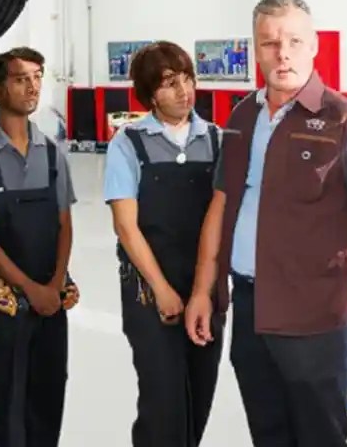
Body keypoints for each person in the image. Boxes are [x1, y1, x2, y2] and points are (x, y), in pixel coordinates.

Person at [183, 0, 347, 447]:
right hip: (251, 309)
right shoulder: (242, 116)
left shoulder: (346, 121)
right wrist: (201, 290)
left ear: (313, 46)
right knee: (267, 433)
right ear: (255, 50)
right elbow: (221, 205)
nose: (282, 52)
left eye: (293, 40)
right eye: (269, 43)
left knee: (318, 437)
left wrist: (335, 272)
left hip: (315, 320)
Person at [103, 41, 224, 447]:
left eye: (188, 78)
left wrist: (203, 291)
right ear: (150, 92)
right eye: (170, 83)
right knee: (163, 401)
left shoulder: (217, 140)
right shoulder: (129, 143)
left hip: (204, 289)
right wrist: (162, 290)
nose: (183, 90)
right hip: (149, 293)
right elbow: (126, 226)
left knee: (200, 393)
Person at [0, 46, 79, 447]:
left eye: (37, 76)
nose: (32, 86)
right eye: (20, 78)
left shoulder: (54, 154)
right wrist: (32, 290)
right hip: (3, 306)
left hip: (50, 302)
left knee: (47, 400)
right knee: (5, 406)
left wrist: (56, 284)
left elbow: (64, 224)